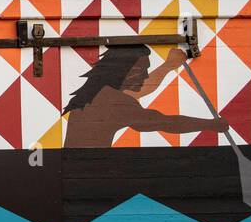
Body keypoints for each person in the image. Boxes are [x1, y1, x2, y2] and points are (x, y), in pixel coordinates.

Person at [62, 46, 229, 148]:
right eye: (140, 70)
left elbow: (140, 88)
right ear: (121, 72)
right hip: (88, 174)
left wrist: (169, 65)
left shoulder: (99, 92)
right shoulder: (114, 102)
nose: (144, 76)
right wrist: (210, 124)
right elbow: (165, 123)